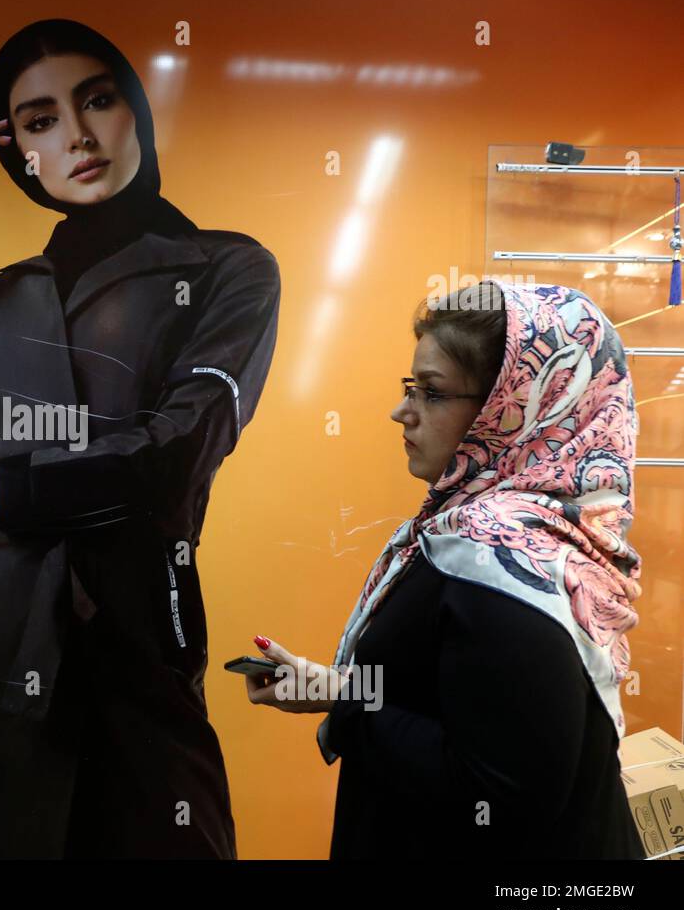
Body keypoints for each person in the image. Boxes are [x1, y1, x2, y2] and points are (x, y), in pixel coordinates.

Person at [0, 18, 280, 858]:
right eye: (38, 122)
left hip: (131, 621)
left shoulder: (228, 268)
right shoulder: (0, 299)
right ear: (19, 157)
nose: (76, 136)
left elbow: (169, 460)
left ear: (134, 112)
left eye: (98, 100)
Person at [246, 281, 646, 859]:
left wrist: (348, 704)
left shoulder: (505, 562)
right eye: (411, 388)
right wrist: (337, 687)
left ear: (511, 411)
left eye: (431, 393)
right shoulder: (479, 537)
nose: (401, 412)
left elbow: (500, 796)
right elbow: (445, 704)